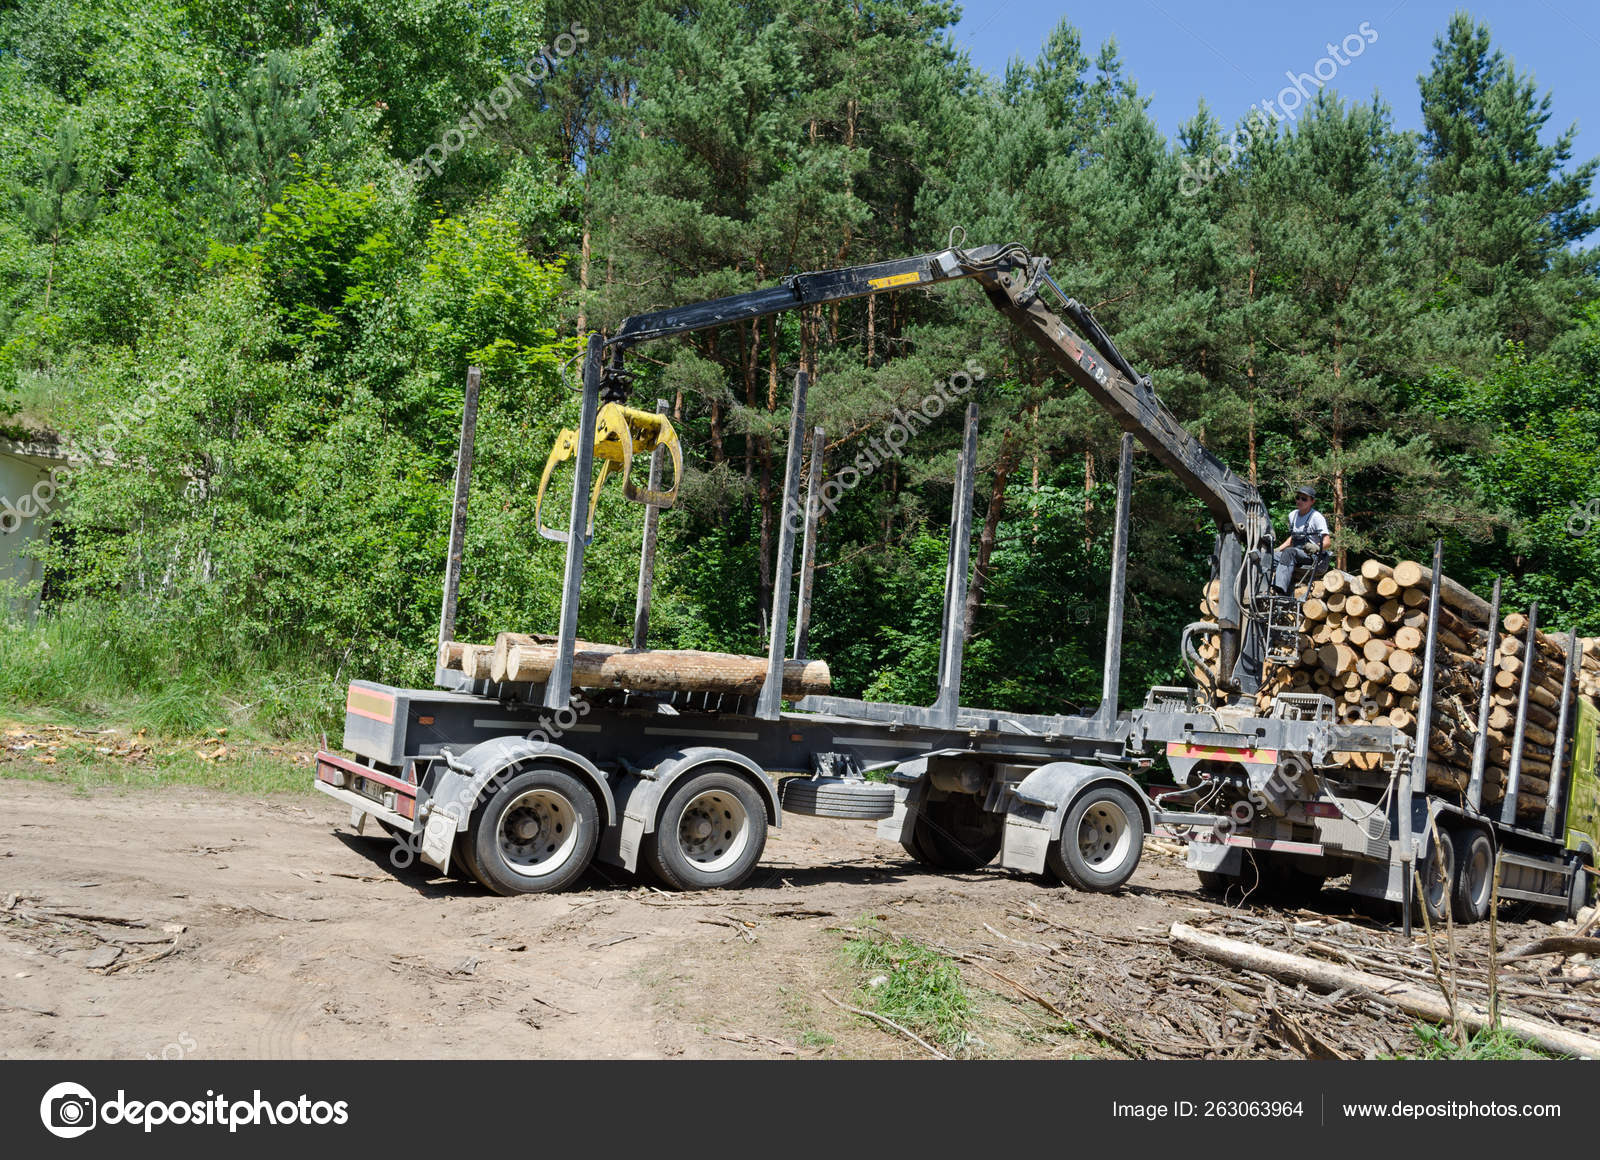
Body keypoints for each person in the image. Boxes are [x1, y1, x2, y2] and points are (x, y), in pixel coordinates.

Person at [1273, 484, 1330, 594]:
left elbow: (1327, 542)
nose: (1299, 501)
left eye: (1304, 499)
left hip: (1314, 558)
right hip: (1295, 554)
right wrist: (1277, 549)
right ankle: (1262, 591)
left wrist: (1316, 547)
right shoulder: (1292, 515)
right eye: (1297, 498)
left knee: (1289, 552)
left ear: (1312, 501)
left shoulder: (1316, 517)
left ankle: (1280, 591)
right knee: (1268, 556)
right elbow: (1293, 537)